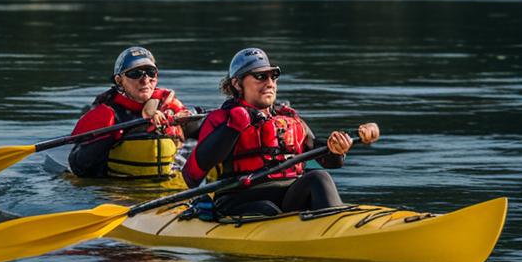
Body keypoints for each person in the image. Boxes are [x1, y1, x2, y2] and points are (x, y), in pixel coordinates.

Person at [180, 47, 379, 217]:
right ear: (237, 83)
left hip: (287, 195)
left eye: (273, 76)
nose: (270, 83)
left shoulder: (288, 117)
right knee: (267, 210)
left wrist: (337, 149)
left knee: (319, 178)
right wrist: (234, 127)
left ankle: (337, 229)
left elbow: (329, 161)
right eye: (260, 76)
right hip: (238, 200)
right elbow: (191, 177)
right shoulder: (221, 119)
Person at [67, 46, 201, 180]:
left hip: (172, 184)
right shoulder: (107, 114)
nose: (145, 80)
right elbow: (79, 166)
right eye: (135, 73)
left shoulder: (170, 105)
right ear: (119, 81)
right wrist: (118, 133)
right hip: (121, 191)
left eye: (150, 72)